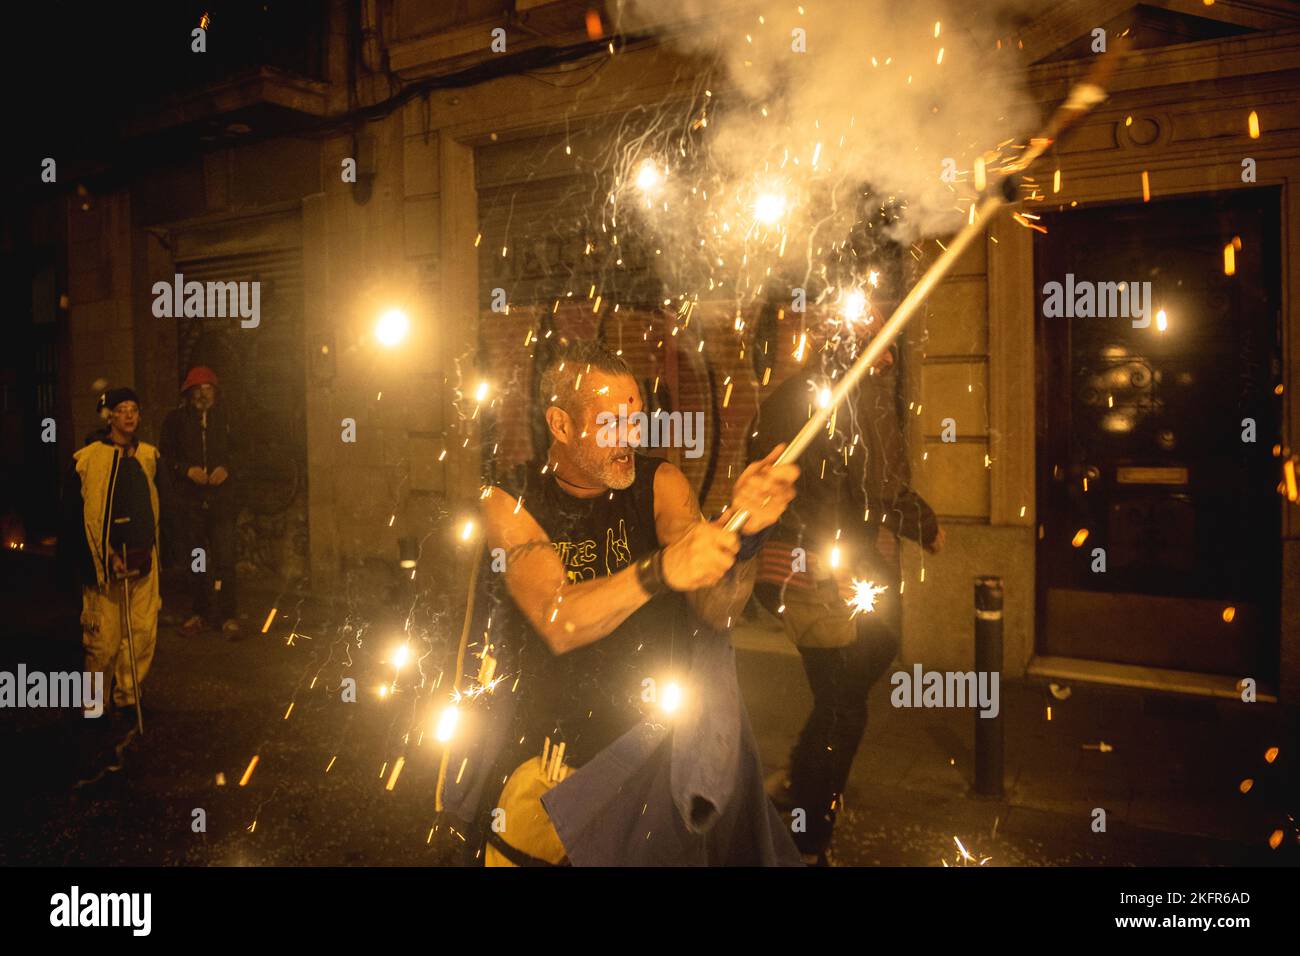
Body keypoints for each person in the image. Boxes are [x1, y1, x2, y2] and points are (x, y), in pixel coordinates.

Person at [452, 339, 802, 866]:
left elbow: (719, 609)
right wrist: (660, 570)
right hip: (543, 767)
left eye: (636, 420)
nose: (631, 437)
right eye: (611, 422)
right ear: (561, 425)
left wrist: (744, 532)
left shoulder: (660, 483)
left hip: (649, 762)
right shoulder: (508, 499)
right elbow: (558, 618)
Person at [748, 325, 944, 866]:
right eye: (877, 350)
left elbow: (863, 485)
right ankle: (807, 830)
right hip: (819, 569)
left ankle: (799, 786)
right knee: (843, 703)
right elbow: (865, 487)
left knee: (851, 679)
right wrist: (917, 524)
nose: (885, 359)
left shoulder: (803, 394)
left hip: (813, 566)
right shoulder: (838, 399)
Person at [64, 387, 163, 727]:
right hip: (106, 563)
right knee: (104, 638)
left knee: (140, 632)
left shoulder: (148, 455)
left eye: (134, 409)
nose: (129, 415)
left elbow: (155, 506)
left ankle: (128, 696)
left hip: (142, 560)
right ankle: (94, 704)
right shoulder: (90, 458)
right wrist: (105, 556)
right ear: (109, 416)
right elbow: (81, 516)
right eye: (122, 410)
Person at [160, 366, 241, 638]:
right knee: (196, 561)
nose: (203, 395)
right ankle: (200, 613)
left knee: (225, 560)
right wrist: (186, 470)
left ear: (215, 393)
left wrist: (227, 468)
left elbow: (246, 452)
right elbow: (166, 457)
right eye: (198, 389)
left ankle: (229, 616)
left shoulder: (228, 418)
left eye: (208, 389)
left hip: (222, 503)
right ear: (189, 393)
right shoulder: (176, 421)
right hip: (191, 504)